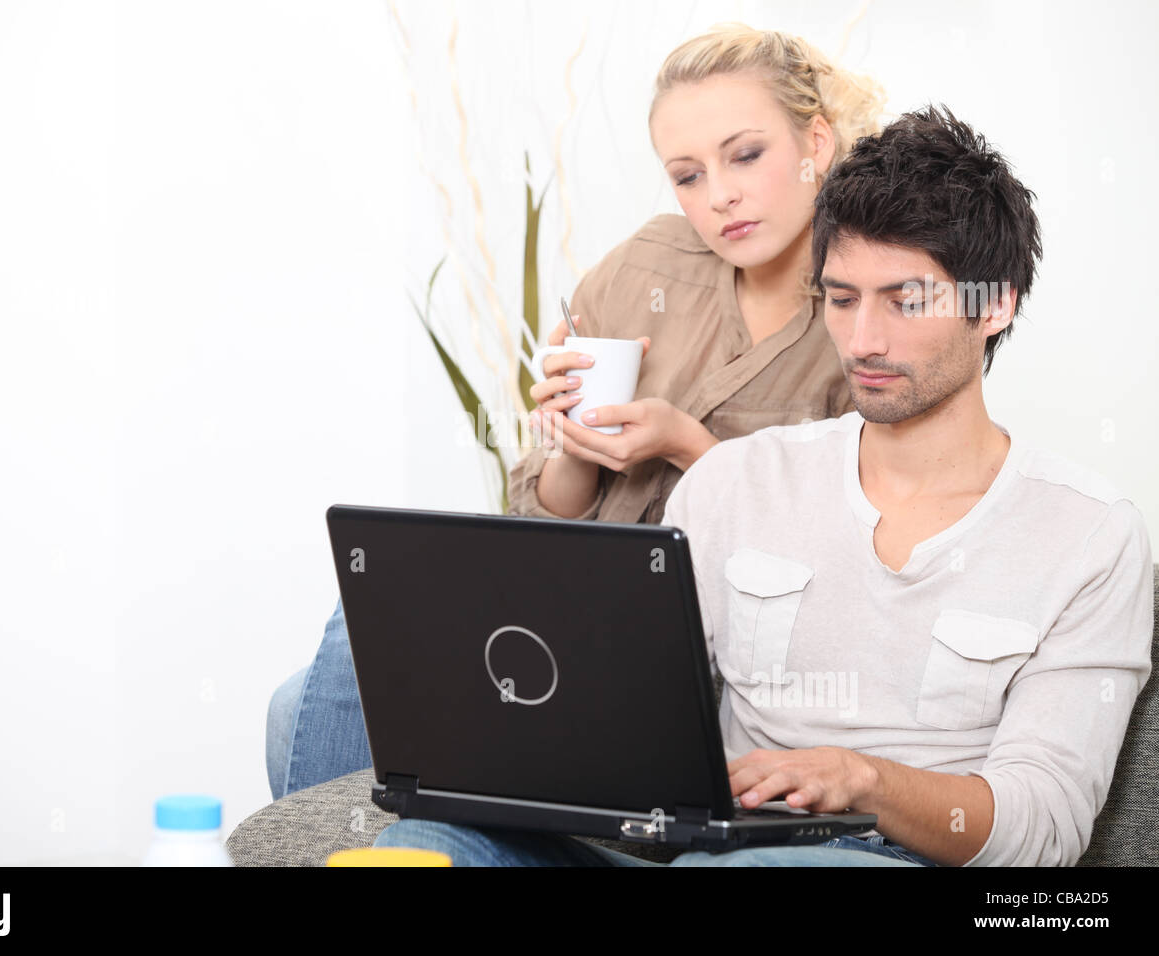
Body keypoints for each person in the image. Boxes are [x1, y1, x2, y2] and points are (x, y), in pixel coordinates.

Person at [373, 104, 1154, 866]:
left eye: (906, 301)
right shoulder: (738, 480)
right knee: (428, 842)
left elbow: (1045, 826)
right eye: (841, 300)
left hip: (883, 856)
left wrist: (864, 782)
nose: (864, 340)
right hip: (715, 846)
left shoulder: (1088, 535)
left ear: (997, 306)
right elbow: (630, 720)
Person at [265, 23, 888, 807]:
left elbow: (853, 555)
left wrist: (690, 445)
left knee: (313, 702)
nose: (719, 195)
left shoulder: (866, 317)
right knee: (361, 626)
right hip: (565, 592)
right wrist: (572, 444)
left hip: (709, 645)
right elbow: (548, 500)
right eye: (687, 175)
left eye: (746, 155)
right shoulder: (645, 268)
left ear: (816, 143)